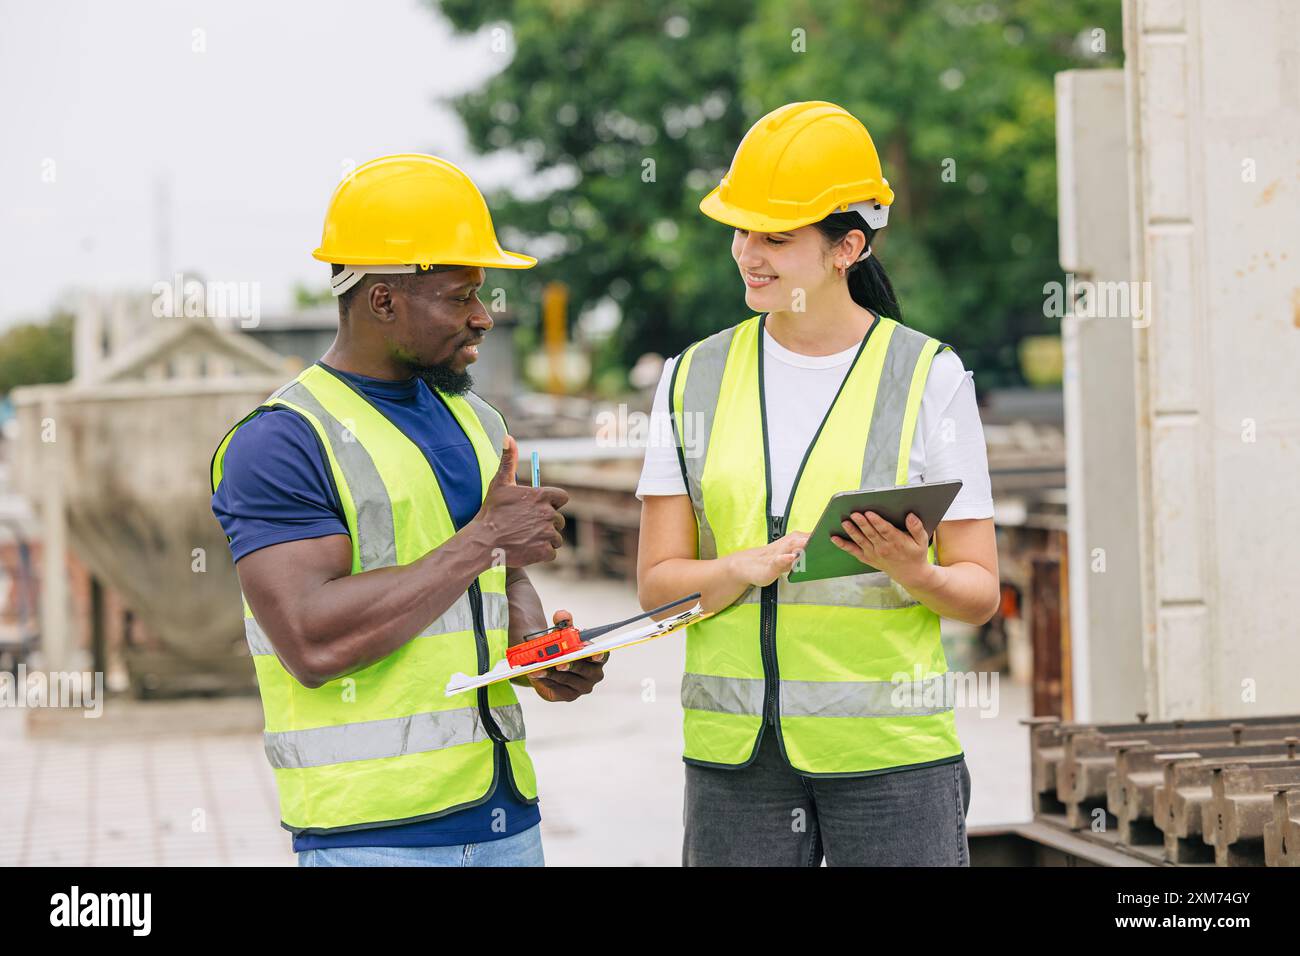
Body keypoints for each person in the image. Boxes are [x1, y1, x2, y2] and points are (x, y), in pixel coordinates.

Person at [210, 154, 606, 867]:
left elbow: (502, 579)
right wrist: (484, 538)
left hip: (504, 817)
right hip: (373, 838)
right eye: (460, 297)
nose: (483, 317)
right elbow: (309, 641)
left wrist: (540, 655)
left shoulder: (479, 422)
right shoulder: (280, 442)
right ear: (384, 300)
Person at [635, 102, 1000, 866]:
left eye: (775, 236)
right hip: (737, 765)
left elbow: (979, 590)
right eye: (741, 231)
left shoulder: (929, 377)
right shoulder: (689, 378)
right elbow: (658, 586)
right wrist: (736, 569)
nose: (747, 253)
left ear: (848, 246)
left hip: (892, 760)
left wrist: (914, 571)